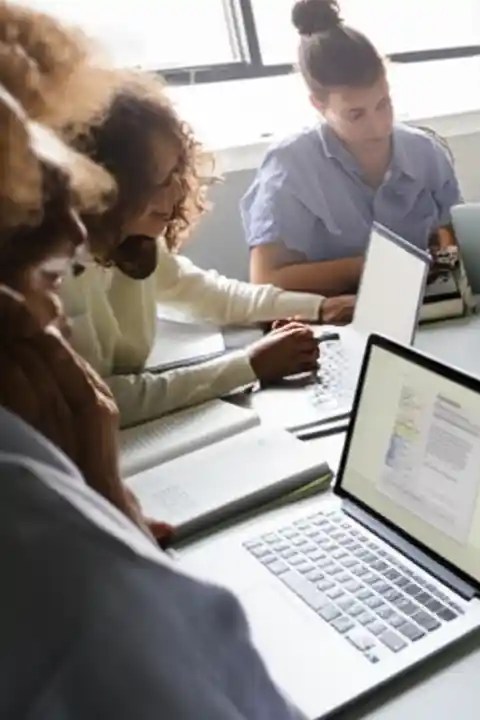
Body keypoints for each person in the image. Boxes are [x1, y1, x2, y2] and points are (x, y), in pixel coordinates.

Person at [0, 7, 298, 717]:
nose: (70, 222)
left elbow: (206, 293)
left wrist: (315, 307)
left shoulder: (127, 254)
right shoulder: (44, 553)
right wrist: (109, 513)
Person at [58, 72, 354, 429]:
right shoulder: (59, 271)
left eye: (174, 177)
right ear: (104, 184)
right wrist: (249, 365)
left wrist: (318, 307)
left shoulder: (134, 242)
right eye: (154, 184)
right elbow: (104, 398)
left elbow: (207, 293)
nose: (170, 199)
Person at [242, 0, 463, 295]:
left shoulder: (425, 152)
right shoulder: (290, 166)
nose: (379, 126)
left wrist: (446, 253)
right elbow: (266, 281)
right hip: (337, 318)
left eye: (384, 104)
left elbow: (457, 240)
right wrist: (376, 266)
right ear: (318, 105)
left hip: (430, 307)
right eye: (355, 114)